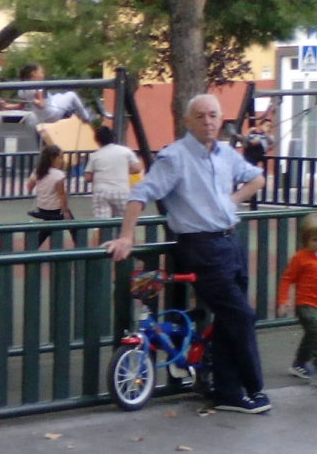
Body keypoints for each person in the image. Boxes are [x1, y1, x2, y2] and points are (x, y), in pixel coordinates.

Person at [105, 93, 268, 414]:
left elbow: (257, 178)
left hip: (230, 241)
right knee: (241, 315)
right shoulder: (175, 157)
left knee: (228, 318)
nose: (208, 121)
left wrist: (231, 202)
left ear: (220, 119)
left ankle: (227, 392)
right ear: (188, 121)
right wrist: (126, 237)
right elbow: (140, 193)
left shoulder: (225, 154)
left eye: (213, 115)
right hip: (201, 247)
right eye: (201, 116)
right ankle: (254, 388)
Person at [275, 216, 317, 380]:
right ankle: (299, 363)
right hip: (305, 304)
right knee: (314, 329)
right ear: (305, 241)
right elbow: (287, 279)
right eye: (314, 240)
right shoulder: (301, 258)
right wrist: (283, 301)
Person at [84, 126, 142, 223]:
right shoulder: (125, 151)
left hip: (101, 191)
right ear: (112, 137)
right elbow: (137, 168)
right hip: (121, 190)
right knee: (126, 222)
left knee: (101, 223)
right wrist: (123, 170)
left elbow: (88, 177)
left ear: (97, 140)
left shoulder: (95, 155)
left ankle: (101, 232)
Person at [26, 143, 72, 247]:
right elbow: (61, 195)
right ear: (52, 158)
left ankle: (34, 246)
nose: (62, 161)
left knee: (49, 227)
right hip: (55, 209)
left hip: (42, 207)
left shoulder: (38, 172)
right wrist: (65, 211)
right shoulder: (58, 175)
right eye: (60, 158)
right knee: (70, 224)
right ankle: (78, 243)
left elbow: (29, 187)